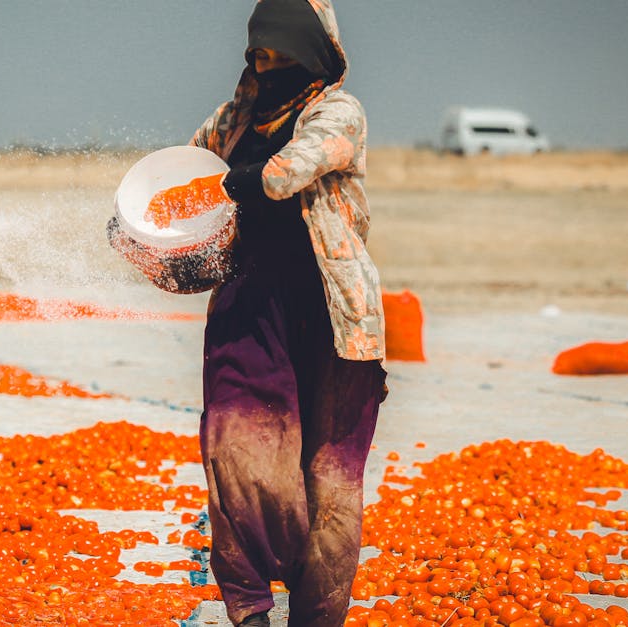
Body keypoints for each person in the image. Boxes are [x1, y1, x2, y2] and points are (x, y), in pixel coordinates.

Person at [144, 1, 387, 625]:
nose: (268, 65)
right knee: (239, 451)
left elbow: (289, 171)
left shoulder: (337, 112)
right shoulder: (232, 120)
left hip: (332, 314)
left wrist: (224, 186)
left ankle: (316, 613)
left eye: (283, 56)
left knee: (327, 478)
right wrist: (141, 221)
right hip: (248, 309)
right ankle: (250, 608)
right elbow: (183, 173)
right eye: (260, 54)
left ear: (315, 57)